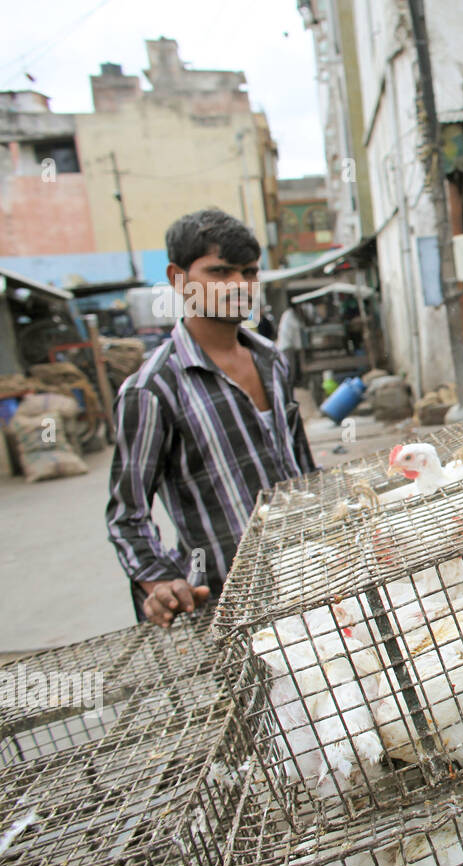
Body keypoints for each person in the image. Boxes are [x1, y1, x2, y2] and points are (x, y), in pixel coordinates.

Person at [107, 208, 317, 627]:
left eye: (249, 273)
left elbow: (304, 469)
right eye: (220, 273)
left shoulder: (272, 359)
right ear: (178, 278)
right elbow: (126, 515)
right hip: (234, 610)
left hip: (312, 581)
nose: (239, 286)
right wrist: (160, 580)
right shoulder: (152, 389)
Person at [276, 301, 304, 388]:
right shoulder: (289, 316)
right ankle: (289, 387)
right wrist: (299, 347)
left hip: (287, 345)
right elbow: (294, 332)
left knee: (291, 368)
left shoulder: (291, 315)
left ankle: (290, 385)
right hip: (286, 346)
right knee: (289, 369)